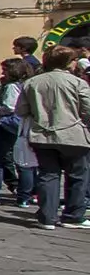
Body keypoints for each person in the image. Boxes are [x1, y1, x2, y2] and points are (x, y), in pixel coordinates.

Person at [19, 46, 90, 228]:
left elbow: (21, 110)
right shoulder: (77, 83)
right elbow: (87, 110)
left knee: (48, 175)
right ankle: (73, 215)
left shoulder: (32, 82)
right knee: (78, 175)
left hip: (42, 134)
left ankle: (47, 217)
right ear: (68, 62)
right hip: (73, 133)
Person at [0, 57, 31, 206]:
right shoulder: (28, 84)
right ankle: (24, 196)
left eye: (5, 70)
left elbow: (9, 107)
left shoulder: (12, 86)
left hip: (9, 124)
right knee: (24, 161)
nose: (3, 73)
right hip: (25, 124)